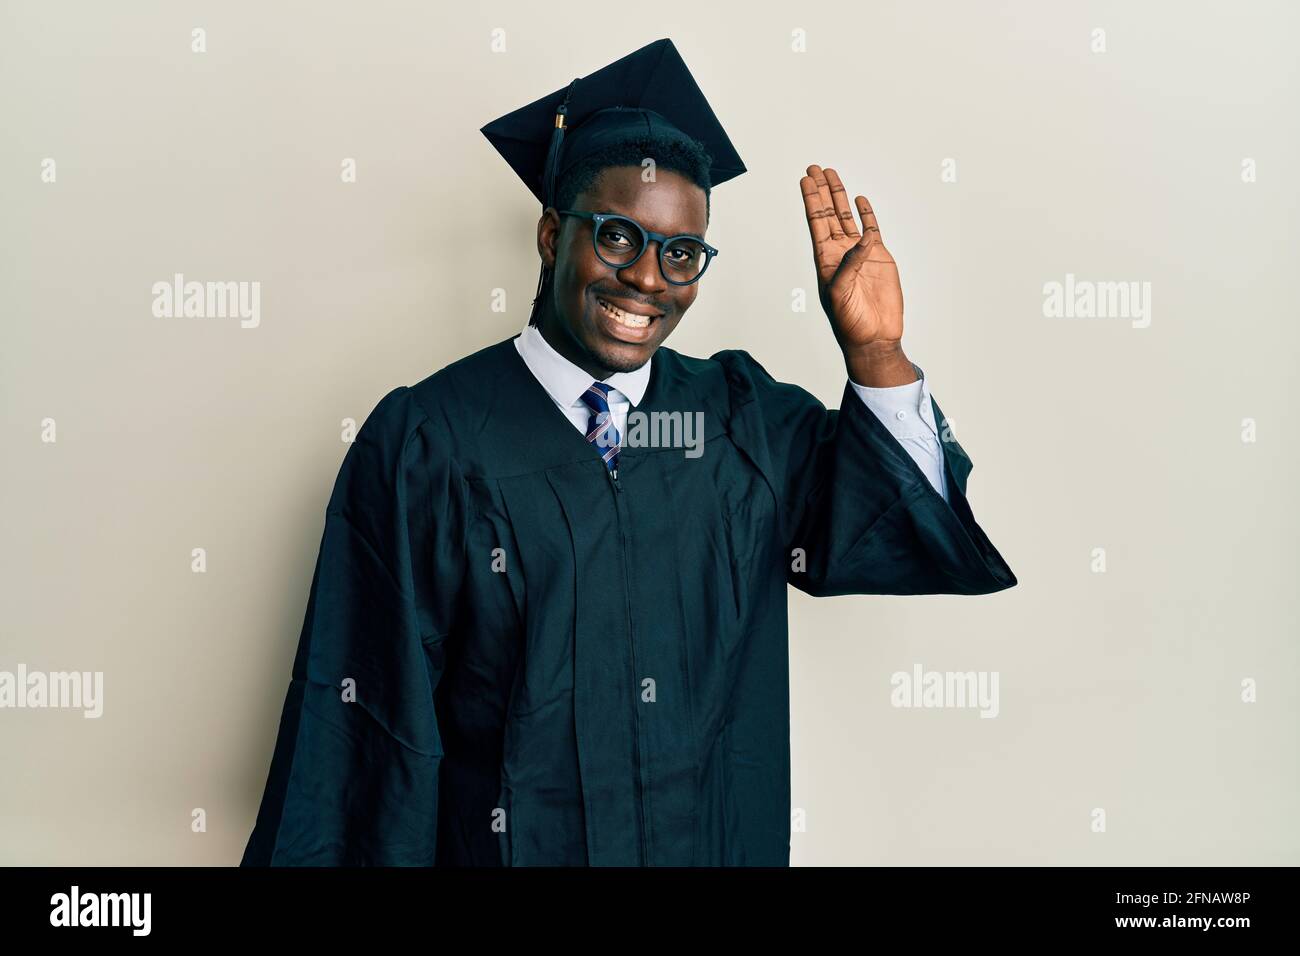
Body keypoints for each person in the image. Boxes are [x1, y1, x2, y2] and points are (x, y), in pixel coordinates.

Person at [240, 38, 1016, 867]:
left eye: (681, 253)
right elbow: (363, 738)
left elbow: (890, 531)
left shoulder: (738, 419)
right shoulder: (428, 439)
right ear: (550, 235)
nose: (648, 278)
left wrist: (876, 355)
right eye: (617, 236)